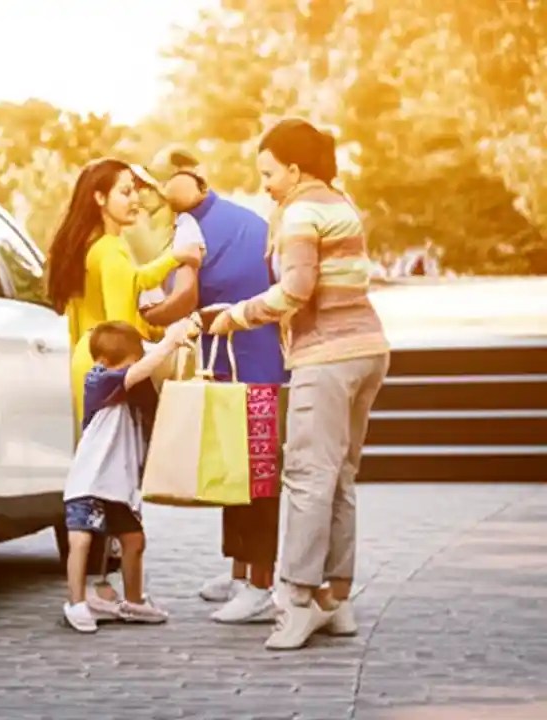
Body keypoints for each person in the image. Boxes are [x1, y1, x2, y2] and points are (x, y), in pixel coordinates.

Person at [207, 118, 391, 651]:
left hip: (326, 358)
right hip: (367, 351)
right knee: (339, 479)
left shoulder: (300, 212)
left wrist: (235, 316)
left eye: (268, 173)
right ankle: (336, 600)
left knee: (308, 478)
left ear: (293, 167)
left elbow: (296, 289)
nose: (264, 184)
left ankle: (296, 602)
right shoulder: (340, 202)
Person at [140, 145, 289, 625]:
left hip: (255, 364)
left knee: (258, 478)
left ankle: (261, 584)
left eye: (157, 185)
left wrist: (143, 323)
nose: (149, 197)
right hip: (240, 360)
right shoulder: (227, 216)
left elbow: (183, 298)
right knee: (237, 468)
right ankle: (241, 573)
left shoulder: (190, 225)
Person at [45, 158, 201, 593]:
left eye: (135, 190)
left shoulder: (90, 247)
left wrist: (170, 262)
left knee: (96, 468)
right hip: (113, 363)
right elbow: (120, 327)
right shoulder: (109, 250)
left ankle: (102, 582)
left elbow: (128, 288)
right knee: (114, 474)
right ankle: (106, 585)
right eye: (125, 192)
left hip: (89, 358)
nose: (134, 199)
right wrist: (163, 335)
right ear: (100, 199)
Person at [60, 319, 193, 632]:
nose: (137, 369)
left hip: (117, 486)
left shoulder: (131, 392)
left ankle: (134, 601)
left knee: (134, 539)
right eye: (131, 362)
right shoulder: (100, 380)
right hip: (89, 480)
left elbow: (146, 367)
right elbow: (139, 370)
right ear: (106, 363)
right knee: (80, 538)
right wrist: (170, 340)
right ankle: (76, 601)